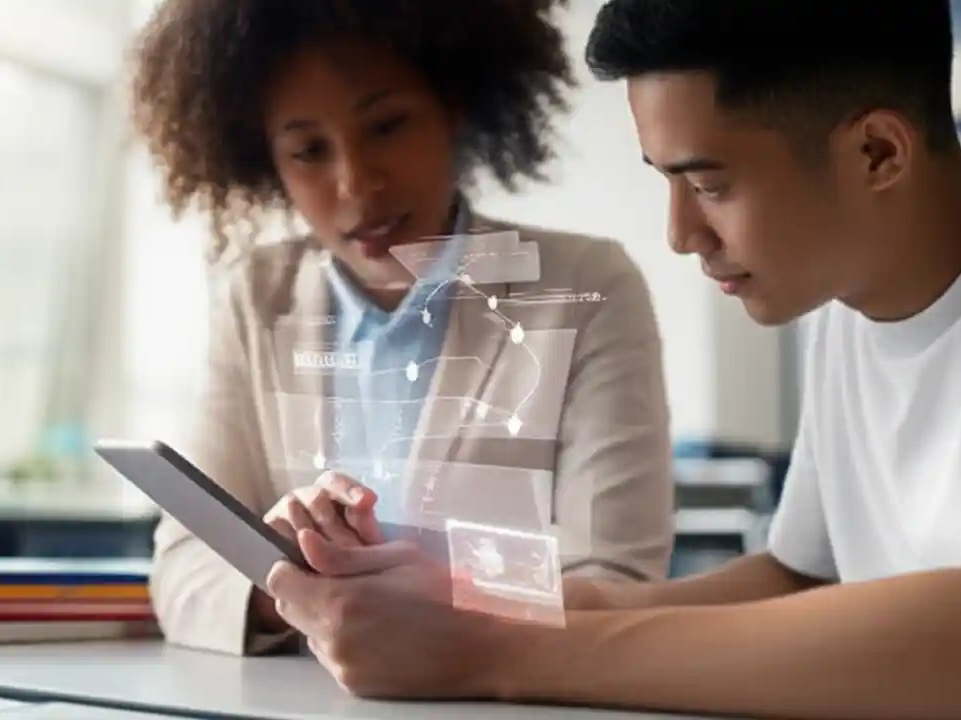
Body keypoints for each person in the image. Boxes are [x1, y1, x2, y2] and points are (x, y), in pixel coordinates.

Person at [262, 2, 961, 717]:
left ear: (877, 153)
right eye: (665, 181)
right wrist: (485, 594)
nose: (680, 234)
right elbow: (804, 582)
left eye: (711, 185)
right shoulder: (846, 301)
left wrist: (493, 654)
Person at [129, 0, 676, 656]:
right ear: (264, 162)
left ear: (455, 106)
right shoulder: (256, 298)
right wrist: (286, 583)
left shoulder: (588, 286)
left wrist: (422, 591)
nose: (357, 183)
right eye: (308, 151)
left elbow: (616, 576)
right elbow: (185, 570)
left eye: (386, 126)